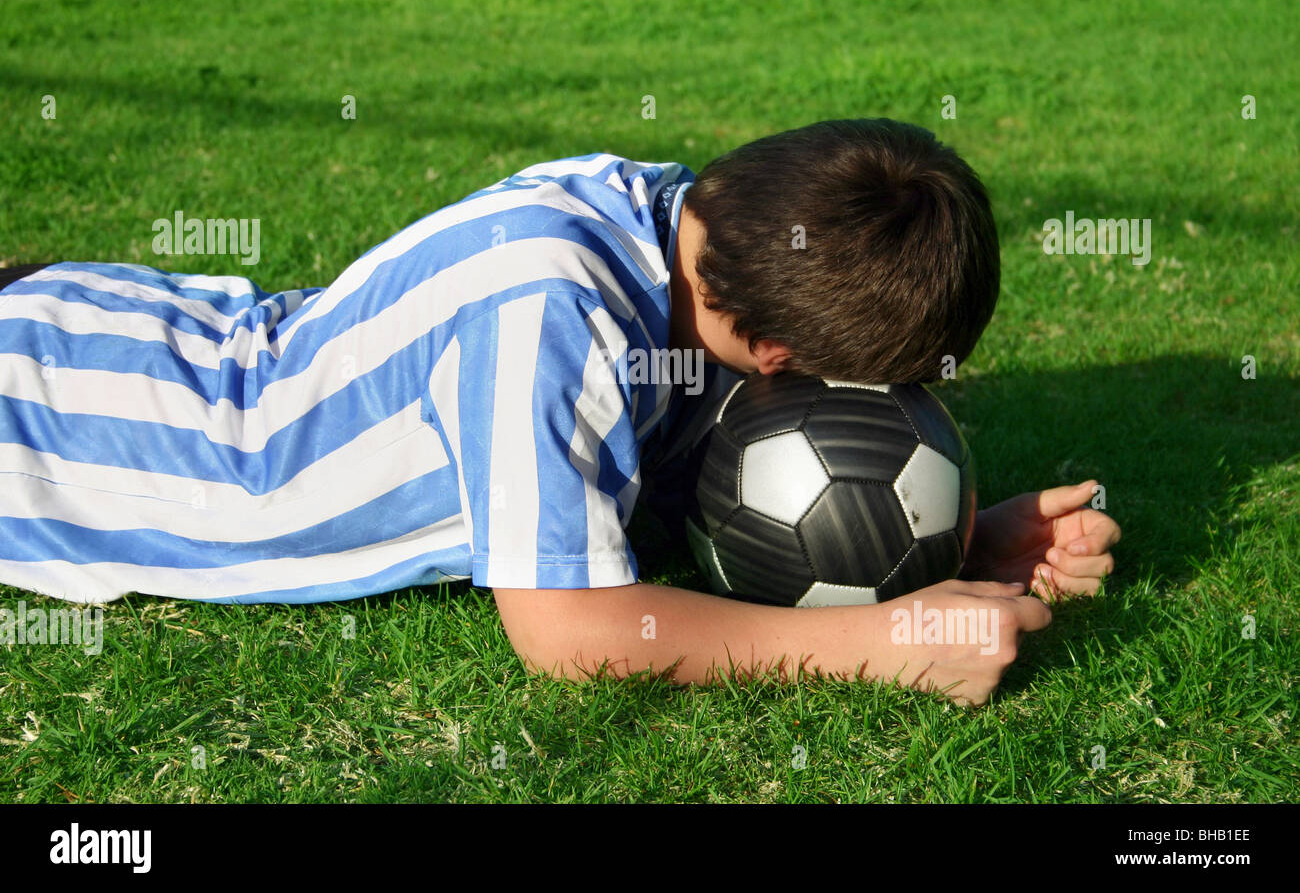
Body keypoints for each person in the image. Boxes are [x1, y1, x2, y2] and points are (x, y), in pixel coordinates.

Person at [0, 118, 1119, 704]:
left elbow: (689, 499)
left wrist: (958, 537)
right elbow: (573, 631)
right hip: (51, 411)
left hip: (129, 332)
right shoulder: (551, 312)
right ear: (779, 356)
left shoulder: (692, 226)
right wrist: (882, 643)